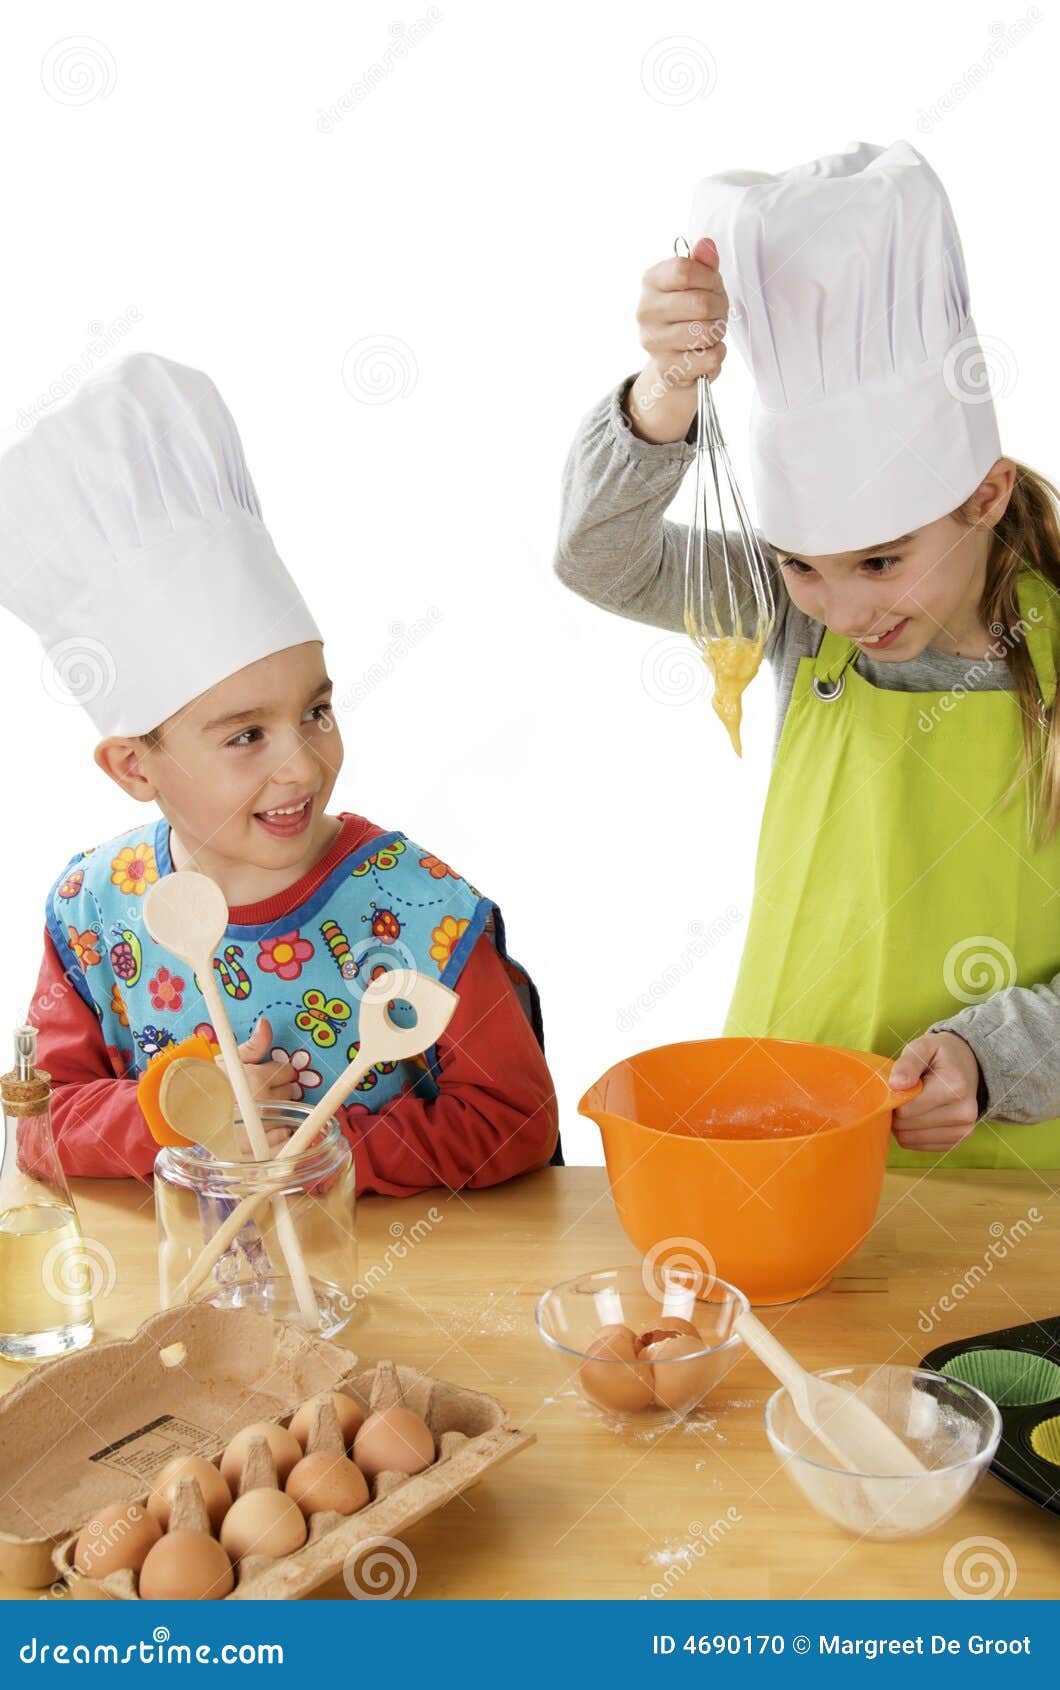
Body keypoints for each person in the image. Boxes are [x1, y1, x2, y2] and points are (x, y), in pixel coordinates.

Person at [555, 139, 1060, 1168]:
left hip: (1013, 1197)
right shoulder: (799, 625)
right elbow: (599, 559)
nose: (844, 608)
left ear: (984, 494)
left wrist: (988, 1055)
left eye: (881, 560)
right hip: (790, 1154)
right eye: (800, 564)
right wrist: (665, 391)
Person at [0, 353, 559, 1193]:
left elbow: (512, 1120)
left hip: (378, 1288)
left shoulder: (418, 907)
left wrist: (308, 1157)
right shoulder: (92, 912)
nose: (302, 763)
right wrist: (170, 1112)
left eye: (316, 711)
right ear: (132, 765)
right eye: (245, 736)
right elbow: (38, 1126)